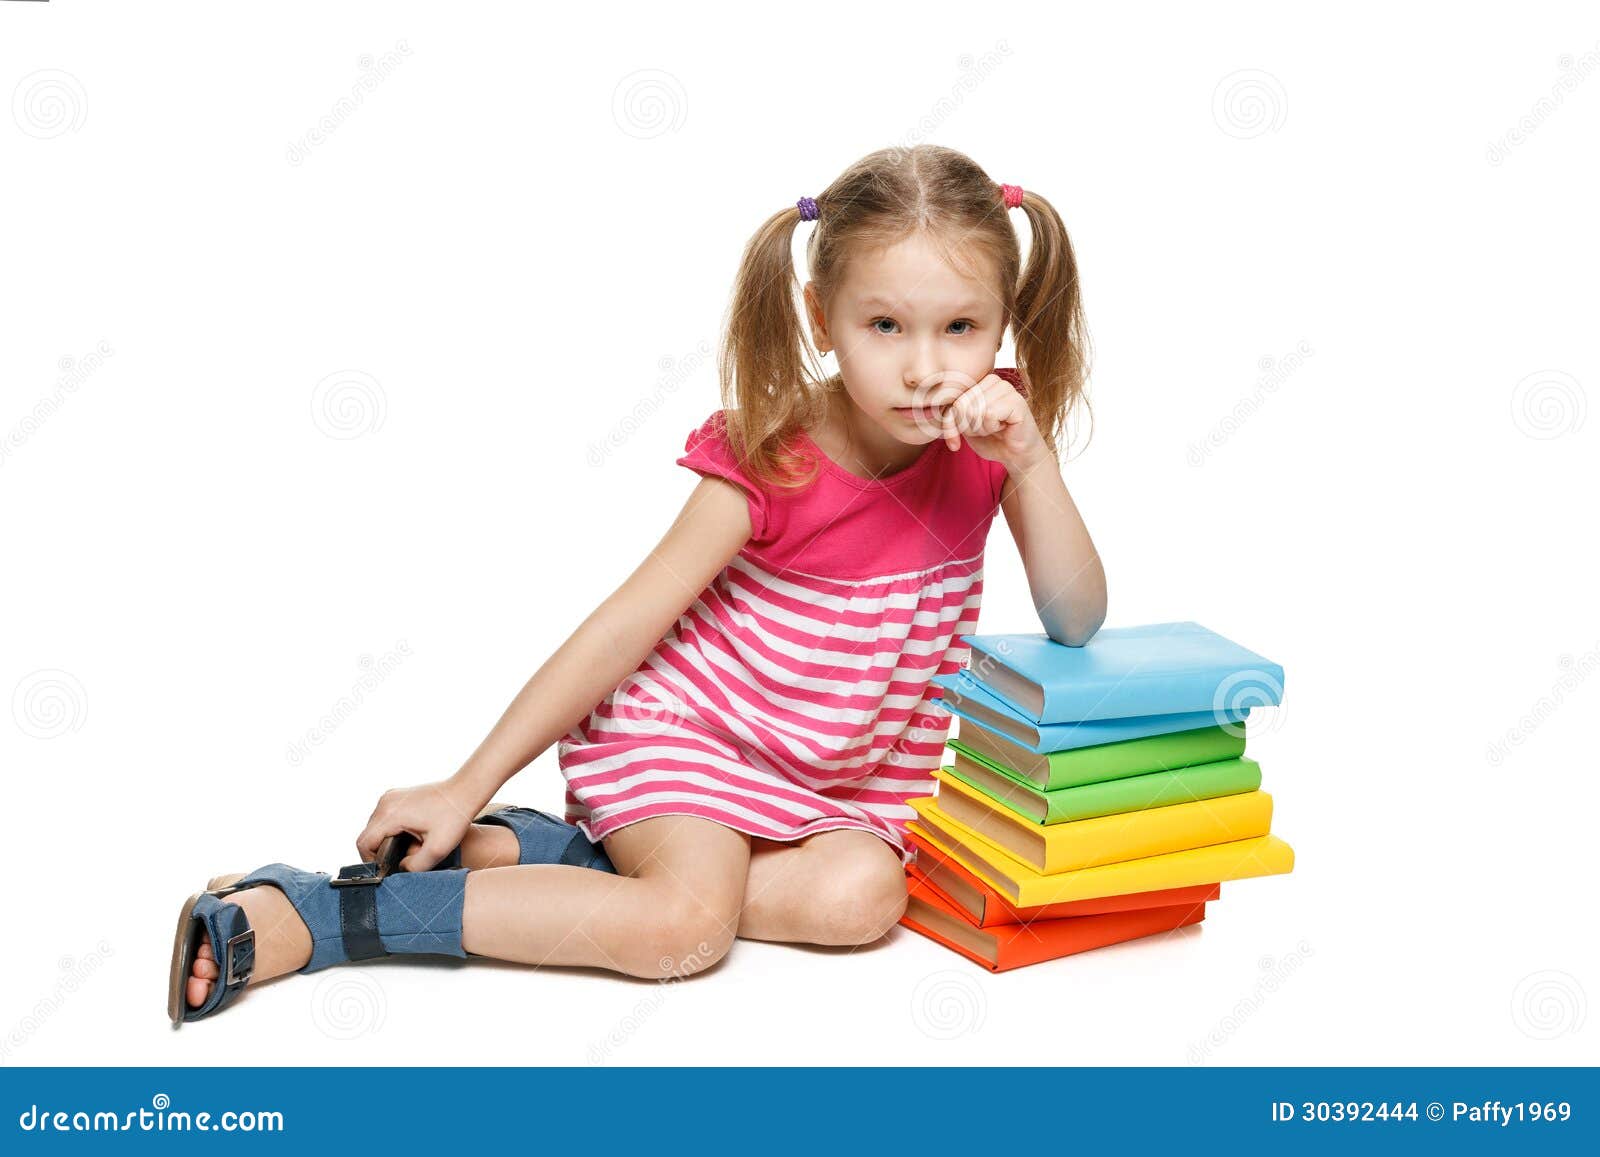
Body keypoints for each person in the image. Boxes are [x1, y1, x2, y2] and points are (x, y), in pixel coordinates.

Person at [170, 144, 1107, 1025]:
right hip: (689, 739)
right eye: (885, 325)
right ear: (822, 318)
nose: (925, 367)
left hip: (836, 785)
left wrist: (1032, 465)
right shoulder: (772, 458)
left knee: (863, 900)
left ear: (1003, 323)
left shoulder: (993, 446)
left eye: (960, 328)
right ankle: (323, 916)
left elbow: (1076, 618)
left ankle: (566, 860)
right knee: (684, 930)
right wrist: (464, 784)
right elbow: (621, 626)